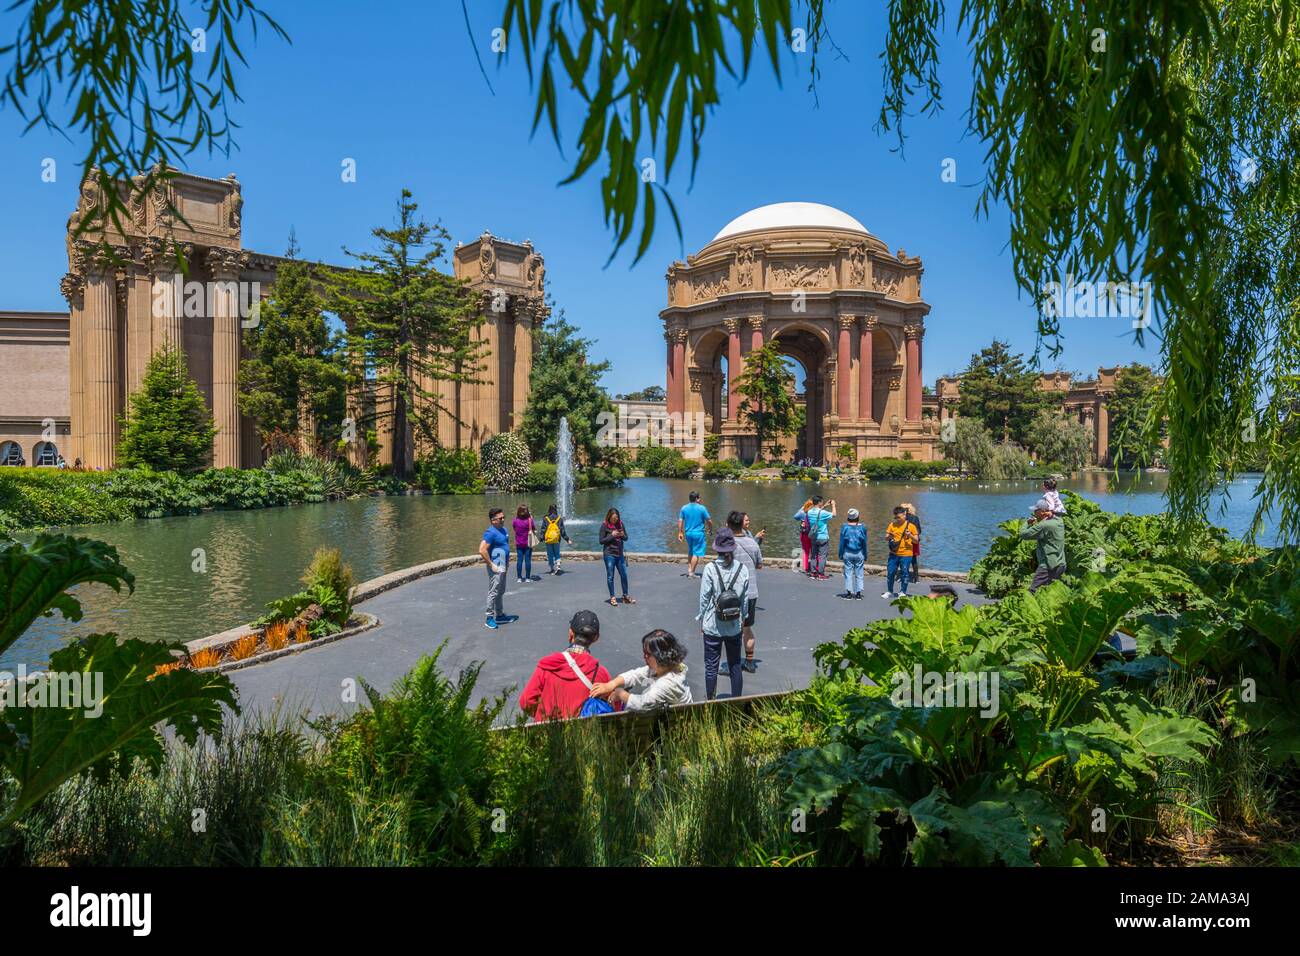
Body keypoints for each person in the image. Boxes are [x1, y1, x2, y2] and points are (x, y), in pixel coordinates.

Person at [519, 610, 619, 721]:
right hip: (583, 736)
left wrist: (543, 716)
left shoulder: (547, 665)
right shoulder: (600, 673)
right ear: (596, 638)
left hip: (547, 733)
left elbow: (526, 702)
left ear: (571, 633)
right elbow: (614, 705)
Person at [697, 528, 750, 700]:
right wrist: (743, 618)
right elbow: (745, 600)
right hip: (734, 624)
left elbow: (704, 598)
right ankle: (737, 702)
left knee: (711, 667)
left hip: (713, 623)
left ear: (716, 549)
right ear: (733, 549)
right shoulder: (742, 569)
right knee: (735, 664)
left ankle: (710, 701)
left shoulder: (710, 569)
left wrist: (702, 618)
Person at [590, 629, 692, 712]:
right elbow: (636, 674)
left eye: (648, 654)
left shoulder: (668, 683)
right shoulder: (667, 667)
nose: (644, 656)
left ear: (661, 656)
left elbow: (642, 704)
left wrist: (620, 693)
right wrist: (611, 685)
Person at [724, 510, 764, 673]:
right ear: (742, 524)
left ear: (728, 525)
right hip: (751, 592)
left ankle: (732, 664)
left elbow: (723, 565)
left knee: (732, 629)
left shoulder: (726, 544)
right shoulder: (753, 543)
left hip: (731, 594)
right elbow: (759, 565)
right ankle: (749, 661)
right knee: (747, 628)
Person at [479, 507, 517, 628]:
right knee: (494, 591)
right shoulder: (490, 532)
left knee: (501, 591)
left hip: (503, 563)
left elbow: (503, 545)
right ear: (493, 520)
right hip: (495, 564)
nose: (503, 519)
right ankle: (489, 617)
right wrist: (491, 565)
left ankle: (499, 614)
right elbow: (482, 550)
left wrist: (506, 562)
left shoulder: (503, 529)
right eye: (500, 518)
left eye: (503, 517)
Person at [1021, 496, 1067, 591]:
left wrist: (1027, 523)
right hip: (1061, 564)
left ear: (1042, 512)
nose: (1034, 512)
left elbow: (1023, 534)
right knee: (1050, 593)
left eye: (1035, 510)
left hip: (1048, 566)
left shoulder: (1043, 525)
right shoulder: (1059, 521)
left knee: (1033, 592)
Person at [599, 507, 636, 606]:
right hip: (609, 554)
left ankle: (625, 596)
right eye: (614, 518)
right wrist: (612, 535)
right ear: (609, 517)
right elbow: (601, 541)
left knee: (624, 575)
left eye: (617, 518)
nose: (615, 520)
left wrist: (622, 535)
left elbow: (626, 538)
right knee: (610, 576)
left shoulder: (620, 524)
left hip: (619, 554)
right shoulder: (604, 525)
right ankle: (612, 597)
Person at [883, 506, 918, 599]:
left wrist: (910, 535)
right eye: (896, 517)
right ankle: (889, 591)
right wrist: (889, 536)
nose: (897, 519)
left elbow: (916, 541)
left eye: (899, 517)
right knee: (890, 572)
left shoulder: (911, 526)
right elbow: (886, 537)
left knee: (904, 573)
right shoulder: (892, 525)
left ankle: (902, 592)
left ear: (904, 514)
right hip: (893, 553)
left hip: (906, 554)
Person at [677, 490, 712, 577]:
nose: (700, 499)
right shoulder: (702, 508)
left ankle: (690, 569)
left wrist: (680, 532)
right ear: (696, 499)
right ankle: (692, 573)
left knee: (691, 551)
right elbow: (709, 521)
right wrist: (710, 529)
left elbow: (680, 520)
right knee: (696, 553)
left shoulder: (684, 508)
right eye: (699, 497)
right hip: (698, 534)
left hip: (688, 533)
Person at [838, 507, 868, 599]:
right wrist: (865, 554)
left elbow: (842, 542)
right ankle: (858, 594)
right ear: (858, 517)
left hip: (848, 552)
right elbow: (864, 542)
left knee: (848, 573)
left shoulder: (844, 527)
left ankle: (849, 593)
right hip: (859, 552)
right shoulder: (863, 527)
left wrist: (840, 553)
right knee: (859, 573)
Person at [806, 495, 836, 579]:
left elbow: (818, 513)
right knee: (822, 556)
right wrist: (833, 505)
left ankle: (813, 572)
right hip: (823, 537)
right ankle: (821, 574)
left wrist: (824, 506)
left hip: (814, 537)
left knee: (814, 555)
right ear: (819, 502)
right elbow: (834, 515)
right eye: (822, 502)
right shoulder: (823, 513)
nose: (822, 502)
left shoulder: (809, 512)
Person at [540, 503, 572, 574]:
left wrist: (541, 538)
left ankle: (552, 568)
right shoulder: (559, 518)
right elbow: (562, 530)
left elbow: (543, 530)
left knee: (550, 554)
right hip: (557, 539)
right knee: (557, 553)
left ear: (549, 509)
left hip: (548, 540)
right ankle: (558, 565)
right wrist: (567, 539)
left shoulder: (546, 518)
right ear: (556, 509)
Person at [513, 504, 537, 583]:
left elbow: (514, 529)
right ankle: (527, 578)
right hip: (528, 543)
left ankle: (519, 578)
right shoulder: (529, 521)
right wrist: (531, 518)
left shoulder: (515, 521)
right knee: (527, 560)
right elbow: (534, 529)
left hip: (519, 543)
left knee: (519, 560)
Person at [899, 501, 922, 584]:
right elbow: (919, 531)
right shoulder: (915, 518)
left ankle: (904, 577)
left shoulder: (902, 519)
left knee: (903, 559)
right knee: (914, 560)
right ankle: (916, 578)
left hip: (904, 541)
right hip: (914, 541)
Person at [792, 497, 814, 574]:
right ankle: (814, 568)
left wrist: (802, 507)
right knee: (814, 551)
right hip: (813, 534)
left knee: (805, 551)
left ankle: (805, 567)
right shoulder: (813, 513)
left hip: (804, 534)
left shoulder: (802, 513)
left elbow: (795, 517)